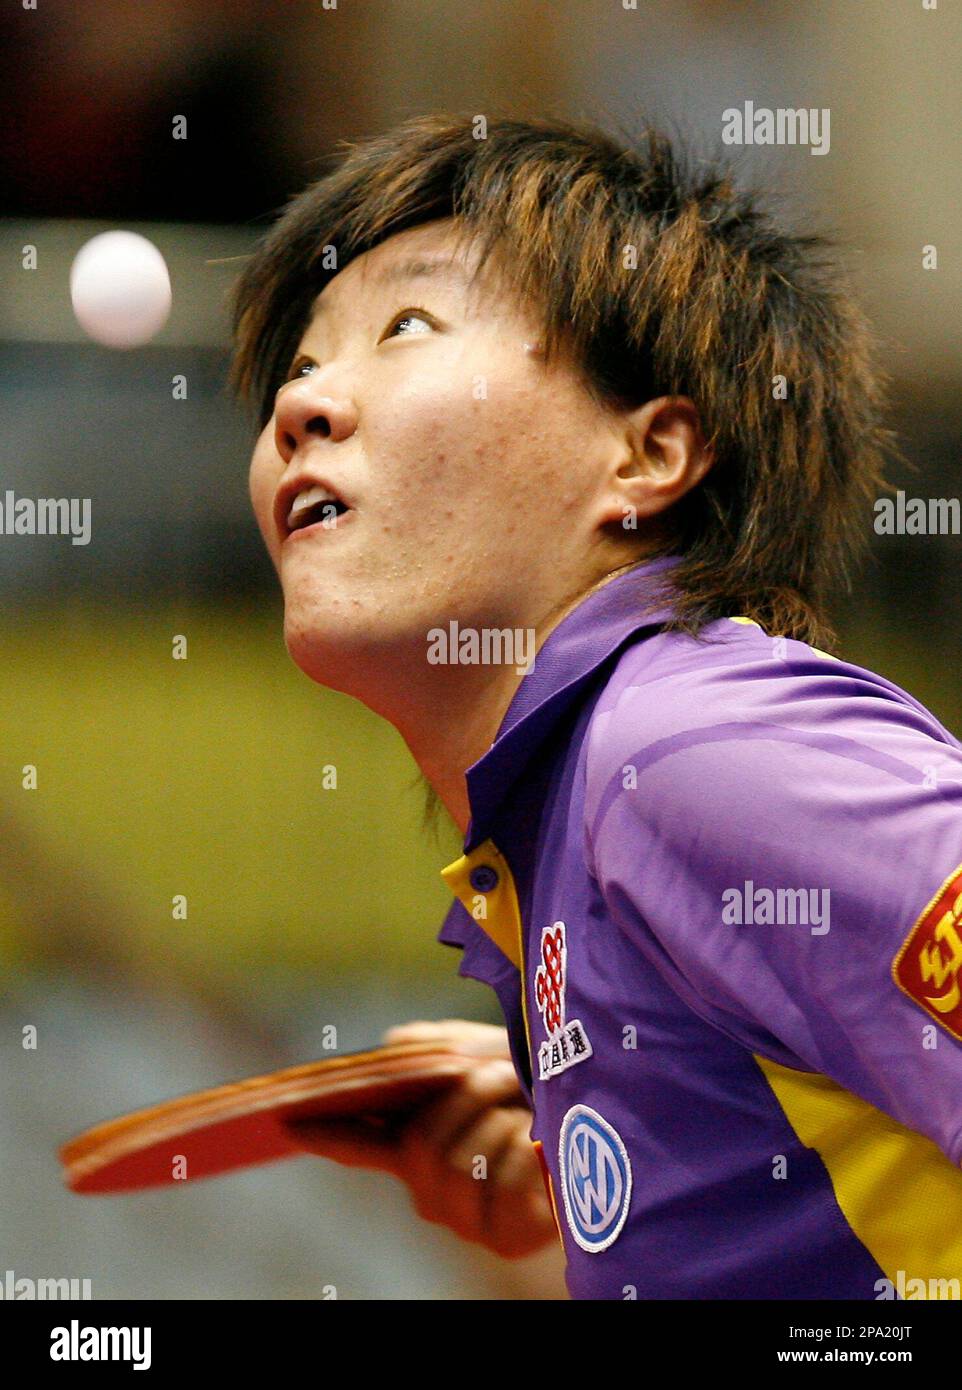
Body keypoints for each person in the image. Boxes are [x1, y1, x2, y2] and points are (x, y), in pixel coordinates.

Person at [229, 113, 962, 1299]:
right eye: (301, 369)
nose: (299, 410)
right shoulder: (566, 831)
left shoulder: (696, 753)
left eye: (406, 328)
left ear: (648, 455)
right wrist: (638, 1118)